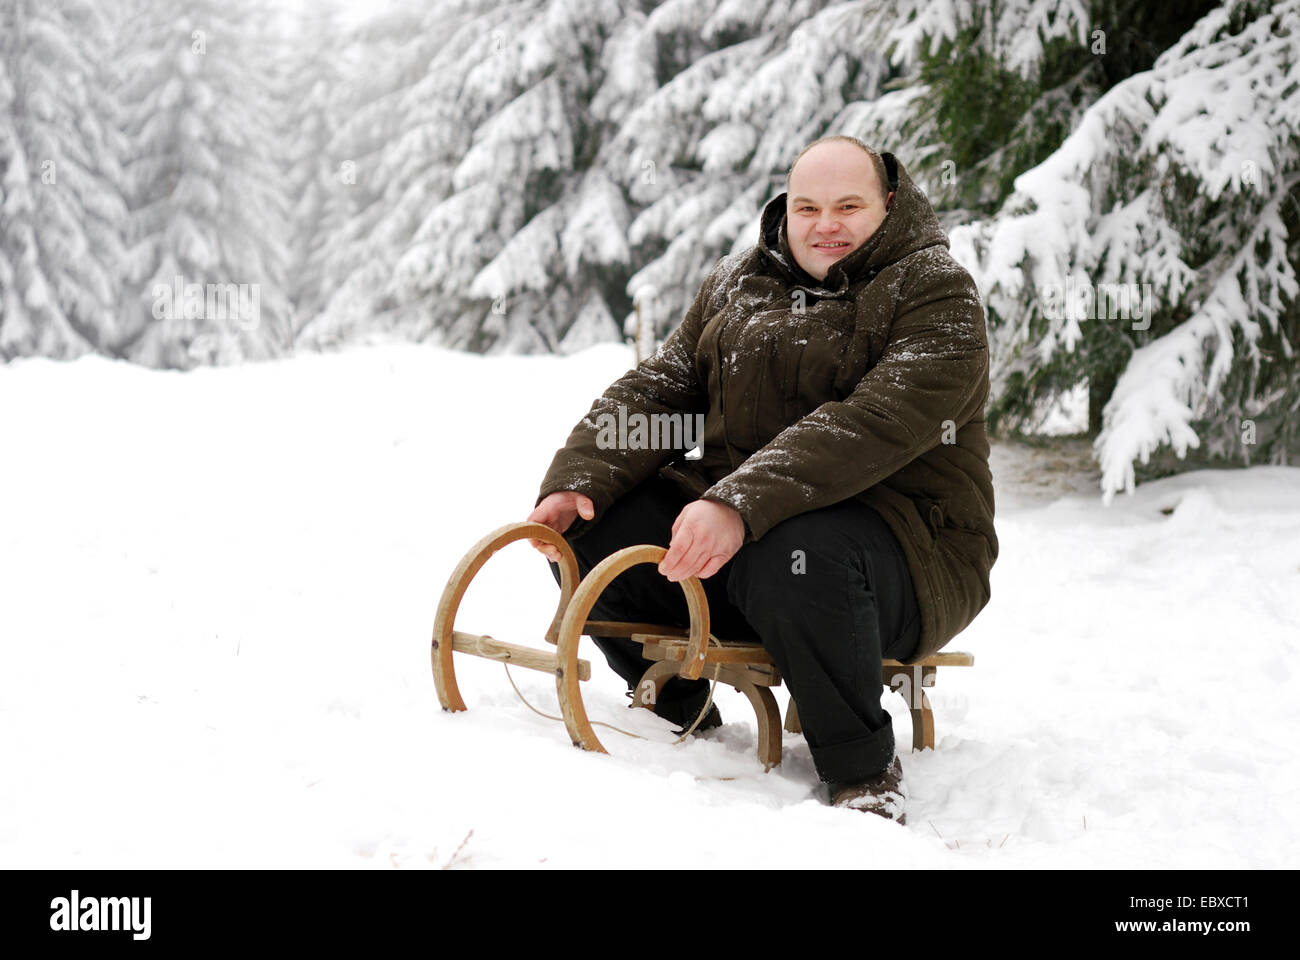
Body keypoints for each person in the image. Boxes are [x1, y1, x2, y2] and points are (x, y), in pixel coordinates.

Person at [526, 136, 998, 823]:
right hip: (746, 545)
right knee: (603, 523)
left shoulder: (936, 292)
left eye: (848, 206)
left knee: (801, 550)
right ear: (786, 207)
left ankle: (862, 771)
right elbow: (664, 387)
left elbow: (871, 422)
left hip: (907, 552)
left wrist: (738, 504)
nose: (824, 224)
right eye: (808, 207)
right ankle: (679, 716)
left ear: (888, 206)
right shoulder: (737, 281)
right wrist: (579, 479)